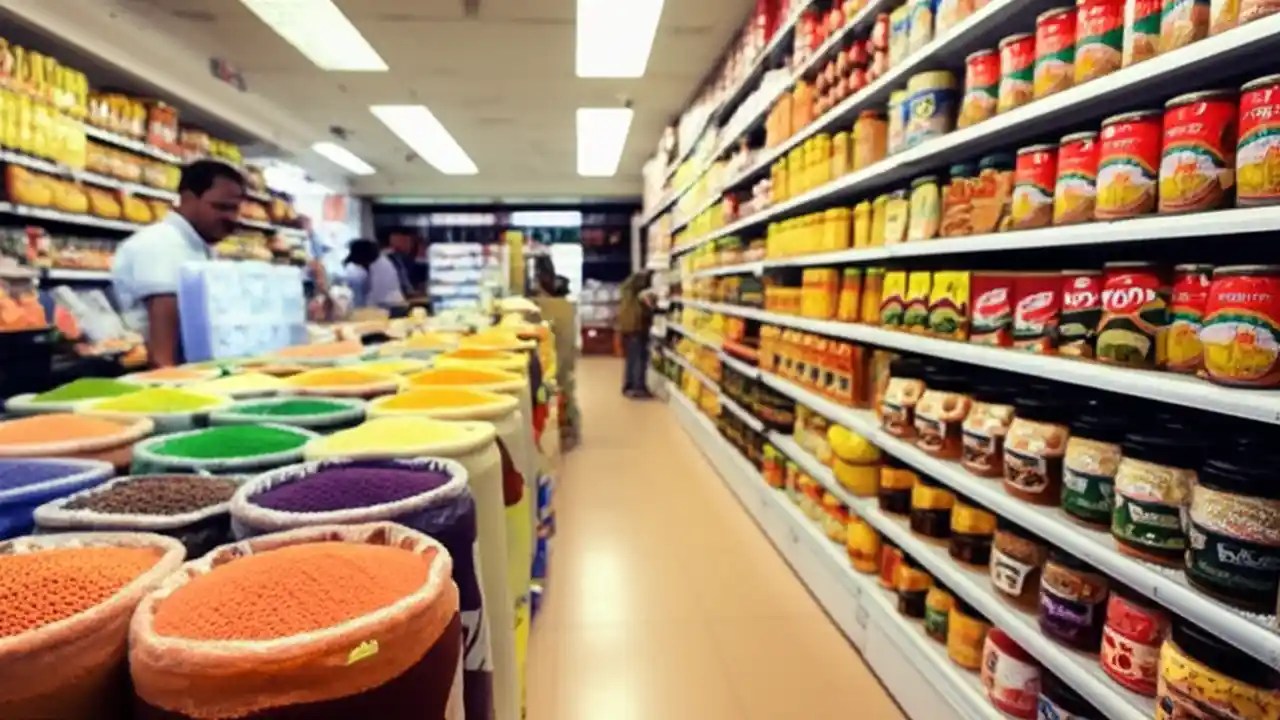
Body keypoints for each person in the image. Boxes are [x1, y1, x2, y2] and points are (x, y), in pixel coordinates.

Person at [111, 160, 245, 367]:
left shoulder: (198, 245)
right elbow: (162, 354)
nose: (231, 218)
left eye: (235, 209)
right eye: (221, 207)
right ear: (188, 199)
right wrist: (173, 381)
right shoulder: (161, 244)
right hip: (158, 376)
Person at [618, 269, 655, 399]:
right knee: (639, 358)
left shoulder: (627, 293)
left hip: (627, 329)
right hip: (637, 329)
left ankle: (629, 386)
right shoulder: (639, 296)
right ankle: (638, 388)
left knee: (631, 359)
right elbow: (643, 312)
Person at [343, 239, 406, 309]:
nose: (360, 265)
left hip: (390, 306)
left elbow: (376, 296)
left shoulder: (380, 268)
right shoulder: (379, 262)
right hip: (392, 303)